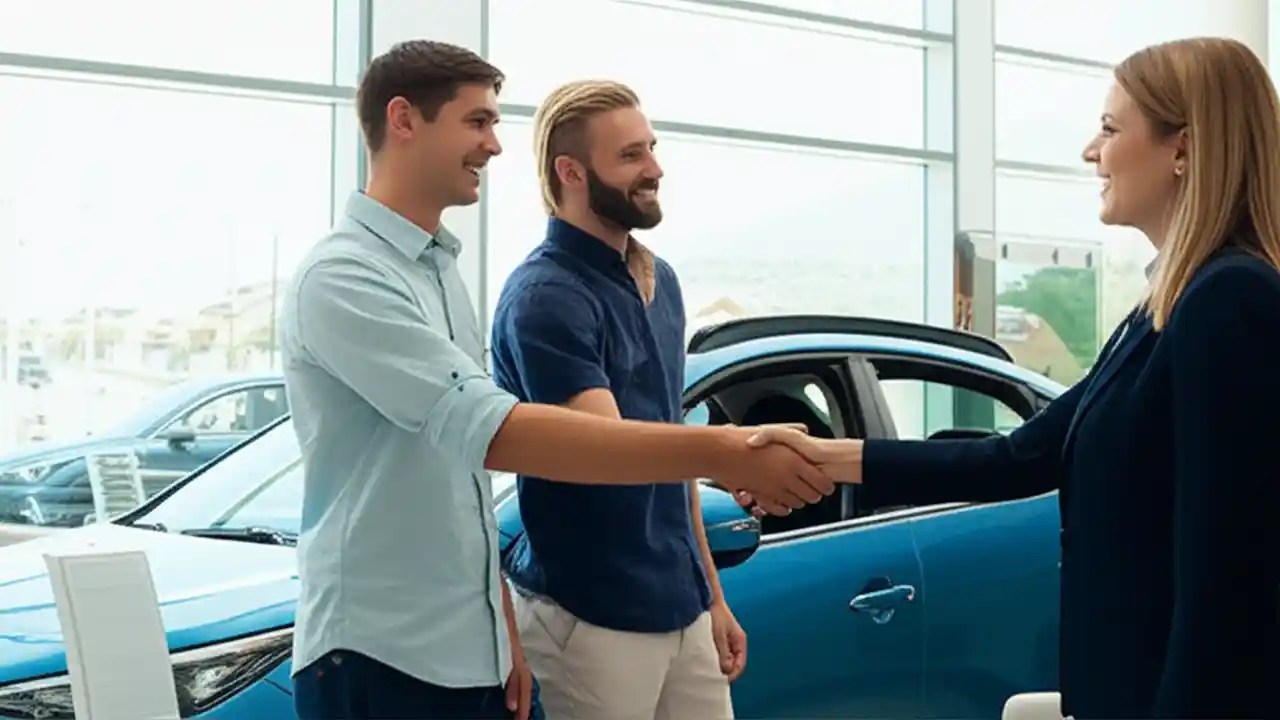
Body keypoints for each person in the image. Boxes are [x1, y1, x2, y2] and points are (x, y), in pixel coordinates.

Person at [278, 41, 840, 720]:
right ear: (403, 120)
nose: (494, 146)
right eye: (477, 122)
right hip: (379, 651)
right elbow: (497, 435)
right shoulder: (344, 277)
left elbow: (461, 494)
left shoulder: (437, 271)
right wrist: (727, 449)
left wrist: (501, 632)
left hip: (466, 648)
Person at [753, 36, 1280, 719]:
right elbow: (1019, 457)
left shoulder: (1227, 300)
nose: (1092, 151)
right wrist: (830, 458)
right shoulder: (1166, 307)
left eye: (1112, 129)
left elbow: (1226, 576)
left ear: (1184, 148)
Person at [488, 80, 742, 720]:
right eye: (631, 155)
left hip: (678, 606)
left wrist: (711, 595)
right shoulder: (546, 298)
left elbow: (670, 445)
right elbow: (615, 454)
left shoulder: (662, 281)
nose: (655, 168)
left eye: (651, 148)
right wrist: (742, 454)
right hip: (591, 616)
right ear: (570, 172)